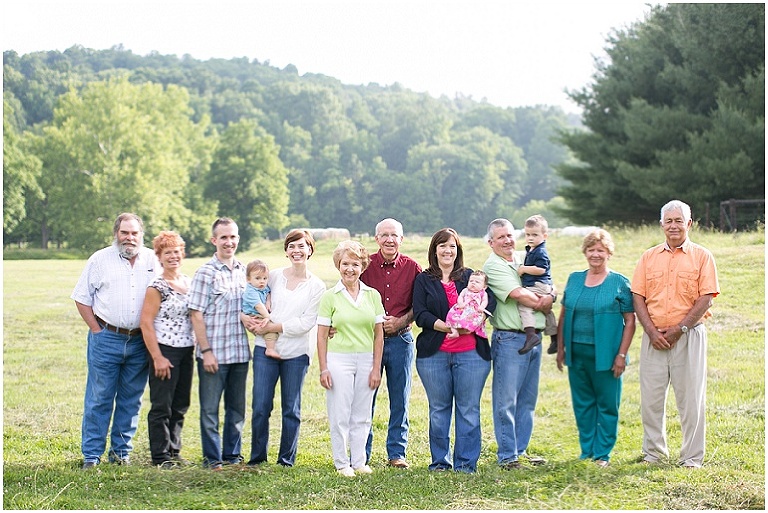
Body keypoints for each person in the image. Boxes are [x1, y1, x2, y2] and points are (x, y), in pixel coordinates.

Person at [631, 200, 719, 468]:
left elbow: (706, 298)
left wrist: (680, 329)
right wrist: (650, 331)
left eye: (678, 221)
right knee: (651, 399)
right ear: (661, 225)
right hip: (654, 337)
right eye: (668, 221)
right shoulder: (648, 257)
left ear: (689, 224)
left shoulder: (702, 256)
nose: (673, 226)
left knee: (691, 399)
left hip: (689, 336)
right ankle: (654, 454)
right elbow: (638, 296)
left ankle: (691, 458)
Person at [71, 212, 158, 469]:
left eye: (134, 233)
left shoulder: (153, 260)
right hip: (106, 337)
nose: (129, 238)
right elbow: (81, 298)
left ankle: (120, 453)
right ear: (116, 234)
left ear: (141, 235)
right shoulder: (100, 259)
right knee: (99, 397)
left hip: (139, 341)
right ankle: (92, 455)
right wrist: (96, 330)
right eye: (124, 232)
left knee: (131, 399)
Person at [413, 228, 497, 473]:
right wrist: (446, 326)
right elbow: (420, 313)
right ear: (434, 250)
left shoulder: (470, 276)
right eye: (442, 246)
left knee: (468, 409)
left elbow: (489, 300)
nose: (447, 250)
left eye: (452, 246)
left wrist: (476, 319)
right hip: (434, 355)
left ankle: (466, 463)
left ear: (458, 250)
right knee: (438, 409)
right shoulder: (423, 279)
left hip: (471, 354)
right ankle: (440, 462)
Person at [244, 229, 326, 468]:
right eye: (291, 246)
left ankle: (286, 459)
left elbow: (306, 323)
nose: (296, 251)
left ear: (310, 250)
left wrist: (274, 326)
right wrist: (247, 319)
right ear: (286, 251)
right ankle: (257, 457)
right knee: (261, 406)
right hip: (265, 350)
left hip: (296, 354)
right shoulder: (273, 276)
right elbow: (252, 296)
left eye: (301, 246)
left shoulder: (317, 286)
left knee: (291, 408)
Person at [555, 229, 636, 467]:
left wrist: (621, 355)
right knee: (583, 404)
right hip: (576, 352)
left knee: (607, 404)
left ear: (609, 253)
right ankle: (587, 451)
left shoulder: (619, 282)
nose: (595, 254)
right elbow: (564, 313)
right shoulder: (574, 279)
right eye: (591, 250)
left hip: (606, 355)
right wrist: (560, 348)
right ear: (585, 252)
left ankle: (602, 454)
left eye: (600, 250)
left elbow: (630, 320)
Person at [483, 218, 554, 470]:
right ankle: (507, 456)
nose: (507, 241)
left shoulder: (522, 259)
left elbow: (548, 281)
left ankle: (520, 451)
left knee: (527, 400)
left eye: (510, 235)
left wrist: (551, 293)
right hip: (510, 340)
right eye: (501, 237)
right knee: (506, 401)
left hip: (533, 337)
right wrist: (546, 300)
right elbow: (520, 295)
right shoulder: (493, 266)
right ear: (491, 242)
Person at [317, 240, 384, 477]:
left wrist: (376, 367)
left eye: (355, 264)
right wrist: (324, 368)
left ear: (362, 267)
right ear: (338, 265)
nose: (350, 269)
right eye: (345, 263)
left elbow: (378, 335)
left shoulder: (373, 295)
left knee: (362, 414)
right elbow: (322, 336)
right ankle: (342, 463)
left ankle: (359, 462)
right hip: (338, 360)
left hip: (366, 359)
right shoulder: (330, 296)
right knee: (340, 414)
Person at [187, 217, 250, 470]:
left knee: (237, 410)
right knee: (210, 410)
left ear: (238, 239)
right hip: (213, 354)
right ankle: (213, 459)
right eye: (223, 237)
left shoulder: (244, 271)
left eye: (233, 237)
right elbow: (195, 314)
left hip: (239, 353)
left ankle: (232, 455)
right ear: (214, 240)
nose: (229, 242)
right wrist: (206, 351)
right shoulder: (205, 272)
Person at [359, 218, 422, 468]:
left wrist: (400, 321)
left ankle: (397, 453)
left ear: (401, 239)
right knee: (365, 399)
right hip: (369, 341)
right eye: (384, 235)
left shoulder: (413, 268)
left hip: (401, 341)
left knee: (400, 399)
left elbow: (420, 305)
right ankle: (361, 453)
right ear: (376, 239)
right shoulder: (364, 265)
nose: (389, 239)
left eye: (394, 235)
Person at [139, 231, 196, 468]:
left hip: (186, 350)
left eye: (176, 251)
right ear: (159, 257)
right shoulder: (157, 286)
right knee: (162, 405)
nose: (173, 256)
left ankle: (174, 450)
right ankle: (160, 456)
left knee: (180, 403)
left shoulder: (189, 283)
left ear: (183, 254)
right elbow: (146, 322)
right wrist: (157, 357)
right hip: (165, 350)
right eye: (167, 253)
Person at [517, 215, 559, 355]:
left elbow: (541, 269)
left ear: (544, 236)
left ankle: (531, 335)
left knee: (524, 305)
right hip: (543, 285)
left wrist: (524, 269)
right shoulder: (532, 249)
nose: (530, 238)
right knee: (546, 310)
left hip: (538, 284)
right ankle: (555, 337)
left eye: (535, 235)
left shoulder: (540, 251)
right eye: (527, 234)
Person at [243, 259, 280, 359]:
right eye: (258, 278)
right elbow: (258, 306)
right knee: (270, 329)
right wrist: (268, 317)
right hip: (254, 315)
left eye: (265, 278)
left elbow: (268, 293)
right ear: (248, 279)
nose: (262, 281)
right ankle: (270, 349)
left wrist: (268, 301)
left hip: (260, 312)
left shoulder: (262, 287)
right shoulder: (250, 292)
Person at [445, 270, 490, 339]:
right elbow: (460, 297)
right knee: (452, 317)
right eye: (471, 281)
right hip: (462, 308)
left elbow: (484, 301)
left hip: (474, 310)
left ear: (484, 287)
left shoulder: (483, 293)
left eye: (477, 282)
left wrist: (482, 307)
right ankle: (454, 331)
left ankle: (469, 328)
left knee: (475, 320)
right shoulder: (465, 290)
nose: (473, 283)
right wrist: (460, 303)